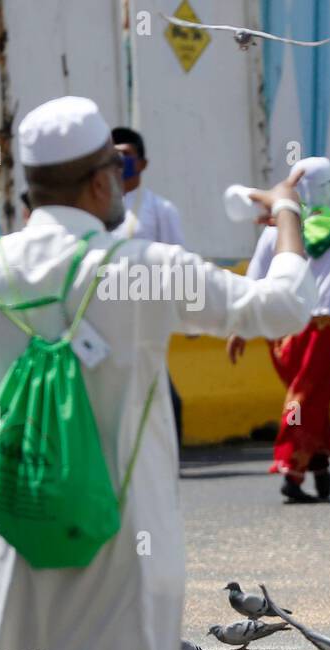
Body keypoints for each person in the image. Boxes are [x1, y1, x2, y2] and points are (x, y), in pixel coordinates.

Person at [0, 95, 318, 650]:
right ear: (103, 180)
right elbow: (283, 308)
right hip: (126, 549)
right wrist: (286, 216)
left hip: (21, 540)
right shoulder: (141, 267)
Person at [228, 157, 330, 503]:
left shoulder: (278, 228)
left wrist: (241, 326)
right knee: (305, 398)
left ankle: (320, 463)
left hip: (284, 328)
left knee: (312, 397)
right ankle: (290, 468)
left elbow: (255, 277)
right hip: (327, 328)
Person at [110, 127, 187, 443]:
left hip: (145, 312)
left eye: (127, 154)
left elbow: (178, 260)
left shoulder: (160, 209)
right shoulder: (99, 208)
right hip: (107, 310)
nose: (120, 161)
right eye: (114, 155)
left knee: (158, 387)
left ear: (142, 163)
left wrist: (186, 309)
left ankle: (168, 452)